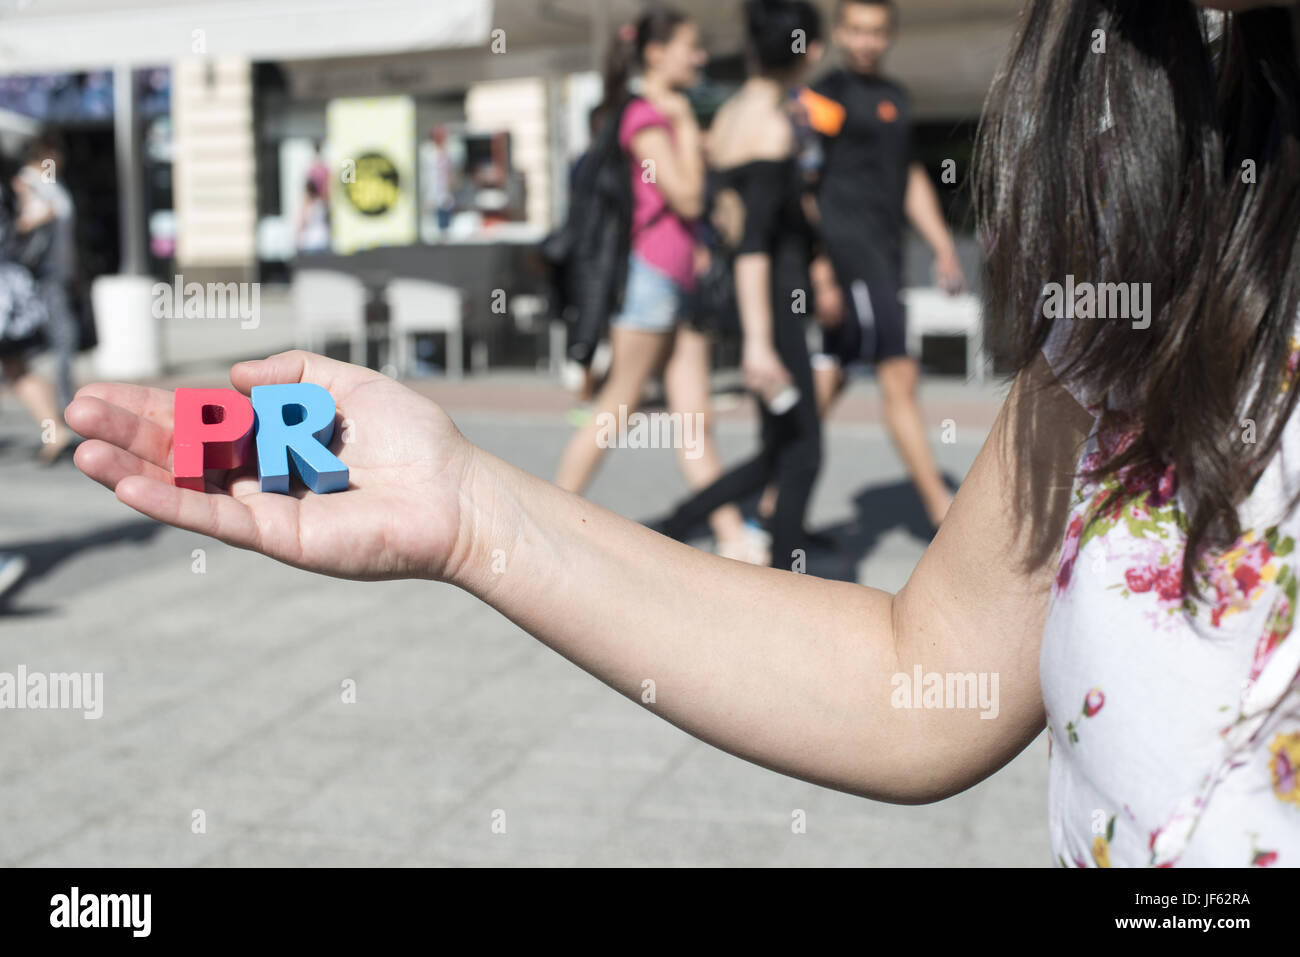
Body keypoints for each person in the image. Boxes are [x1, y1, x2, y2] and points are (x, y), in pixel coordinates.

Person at [68, 0, 1300, 868]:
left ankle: (728, 492)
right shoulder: (1173, 271)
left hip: (712, 296)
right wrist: (469, 515)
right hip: (684, 294)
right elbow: (918, 680)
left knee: (730, 415)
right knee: (689, 411)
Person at [553, 10, 756, 561]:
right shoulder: (643, 117)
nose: (701, 58)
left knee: (694, 419)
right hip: (652, 282)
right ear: (654, 53)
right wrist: (688, 129)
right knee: (617, 404)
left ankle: (734, 534)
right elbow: (687, 196)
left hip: (678, 282)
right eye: (691, 47)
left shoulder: (661, 113)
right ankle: (547, 520)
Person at [654, 0, 828, 572]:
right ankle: (788, 579)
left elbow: (726, 223)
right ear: (812, 52)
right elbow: (754, 242)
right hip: (772, 303)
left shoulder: (726, 117)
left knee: (779, 449)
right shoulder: (773, 129)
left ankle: (674, 524)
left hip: (758, 299)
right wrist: (759, 342)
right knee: (804, 450)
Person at [803, 0, 966, 531]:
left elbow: (911, 176)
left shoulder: (896, 97)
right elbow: (802, 183)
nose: (866, 40)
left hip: (884, 258)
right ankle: (940, 513)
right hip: (850, 259)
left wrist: (942, 244)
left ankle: (770, 506)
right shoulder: (823, 97)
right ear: (841, 32)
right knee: (898, 369)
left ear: (889, 35)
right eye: (856, 30)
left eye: (876, 31)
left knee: (832, 377)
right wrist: (820, 264)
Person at [0, 154, 71, 466]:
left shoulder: (17, 188)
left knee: (17, 367)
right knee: (17, 367)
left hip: (8, 294)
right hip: (12, 292)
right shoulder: (15, 187)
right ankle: (53, 430)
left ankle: (54, 430)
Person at [14, 134, 78, 413]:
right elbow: (17, 227)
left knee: (63, 339)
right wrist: (38, 217)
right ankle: (64, 406)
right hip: (40, 275)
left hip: (60, 273)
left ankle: (64, 404)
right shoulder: (24, 184)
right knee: (62, 337)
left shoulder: (53, 184)